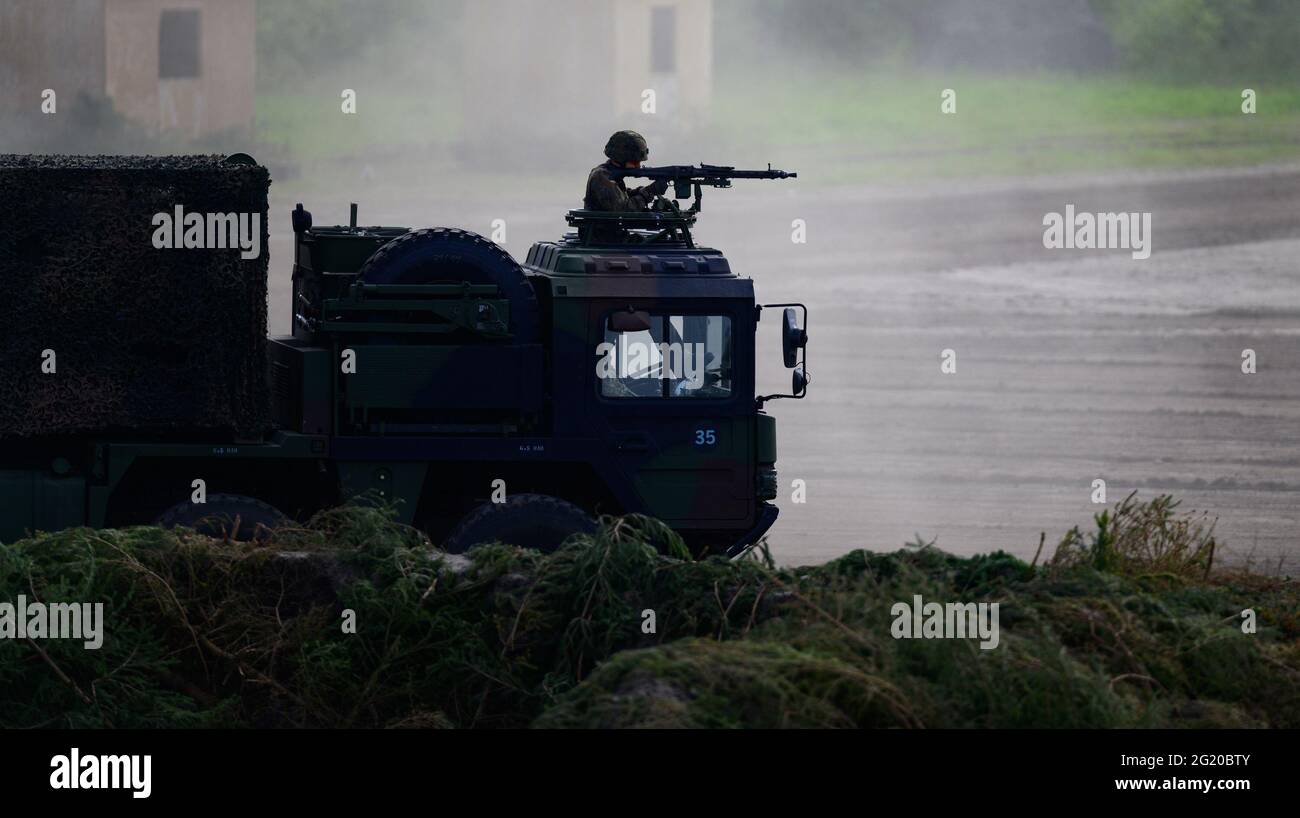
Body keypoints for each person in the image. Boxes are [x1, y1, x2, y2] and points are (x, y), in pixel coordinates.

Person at [584, 130, 669, 212]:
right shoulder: (601, 176)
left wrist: (640, 191)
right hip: (602, 226)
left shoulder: (610, 174)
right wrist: (649, 191)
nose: (638, 166)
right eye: (634, 162)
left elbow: (620, 196)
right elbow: (623, 209)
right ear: (621, 159)